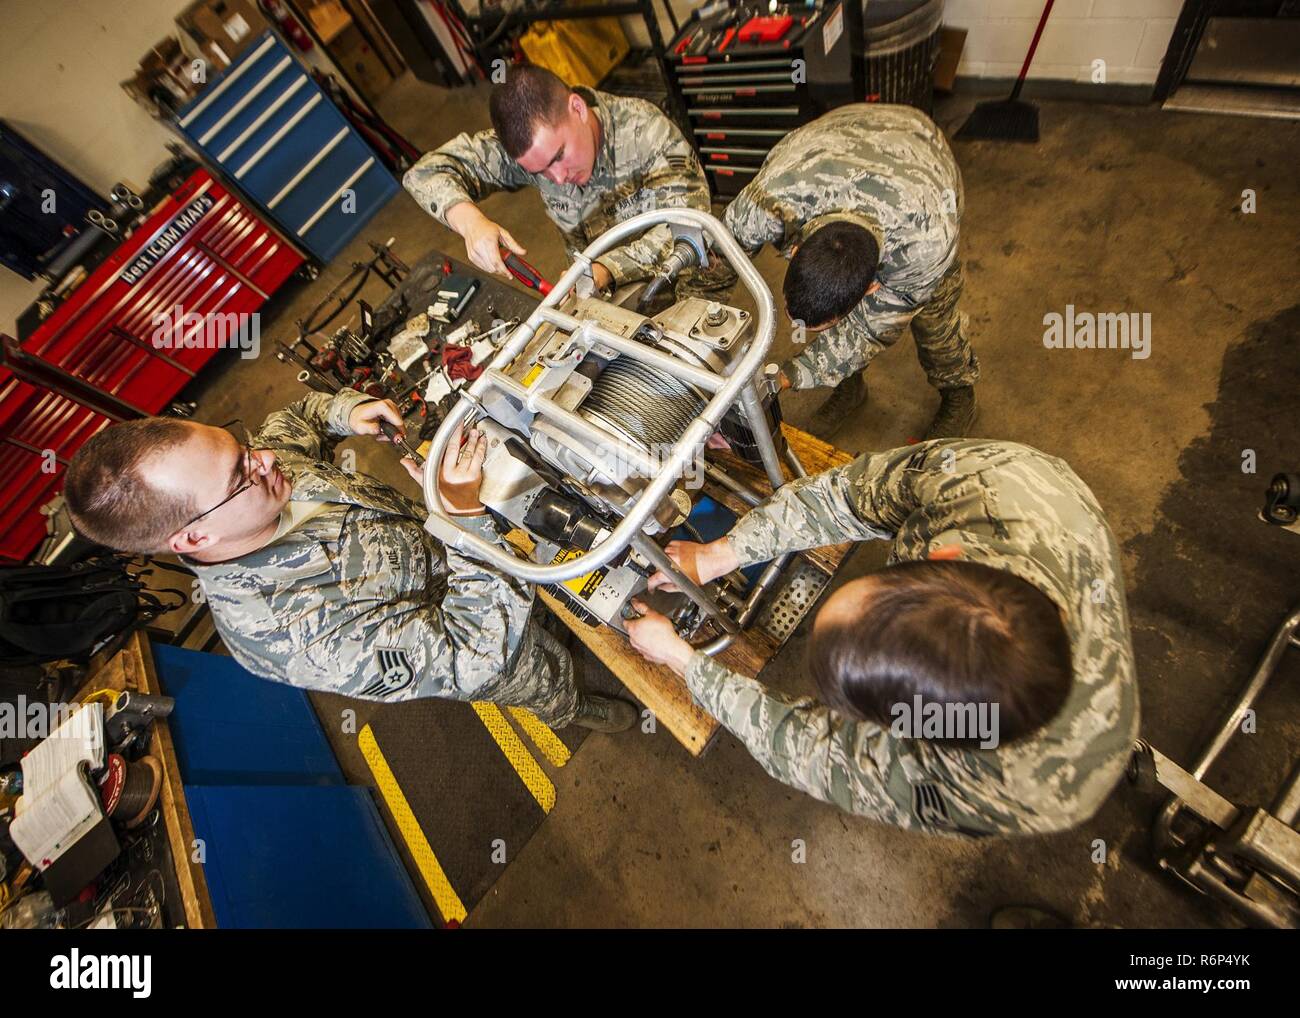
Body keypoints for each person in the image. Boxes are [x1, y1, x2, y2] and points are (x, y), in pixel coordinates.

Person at [624, 439, 1139, 835]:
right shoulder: (999, 484)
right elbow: (845, 496)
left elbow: (801, 747)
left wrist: (681, 660)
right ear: (943, 559)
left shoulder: (1013, 790)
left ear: (912, 728)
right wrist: (721, 554)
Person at [62, 387, 635, 732]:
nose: (263, 458)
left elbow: (295, 418)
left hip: (465, 555)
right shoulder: (290, 632)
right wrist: (464, 519)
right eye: (241, 473)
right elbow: (473, 655)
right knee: (540, 675)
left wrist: (346, 409)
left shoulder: (261, 473)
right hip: (490, 634)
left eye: (238, 445)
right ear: (192, 538)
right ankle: (573, 705)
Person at [723, 103, 980, 441]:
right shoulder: (766, 204)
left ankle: (959, 395)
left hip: (919, 151)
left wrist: (788, 376)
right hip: (837, 134)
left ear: (873, 288)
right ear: (798, 250)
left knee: (935, 321)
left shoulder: (926, 244)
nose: (795, 327)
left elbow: (867, 333)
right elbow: (716, 255)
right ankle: (850, 387)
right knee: (826, 294)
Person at [404, 63, 730, 298]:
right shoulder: (532, 151)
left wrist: (604, 269)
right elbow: (425, 172)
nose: (558, 177)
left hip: (680, 275)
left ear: (577, 107)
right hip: (593, 288)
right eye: (540, 171)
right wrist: (470, 222)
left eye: (558, 155)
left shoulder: (647, 133)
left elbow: (690, 228)